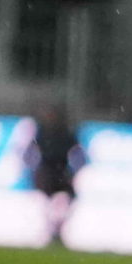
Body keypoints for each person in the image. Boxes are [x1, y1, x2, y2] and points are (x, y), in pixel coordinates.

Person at [27, 104, 84, 248]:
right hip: (47, 172)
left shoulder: (65, 133)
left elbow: (78, 153)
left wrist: (74, 171)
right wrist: (35, 170)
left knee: (69, 200)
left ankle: (59, 228)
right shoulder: (42, 133)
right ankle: (51, 229)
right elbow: (30, 152)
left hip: (62, 171)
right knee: (45, 203)